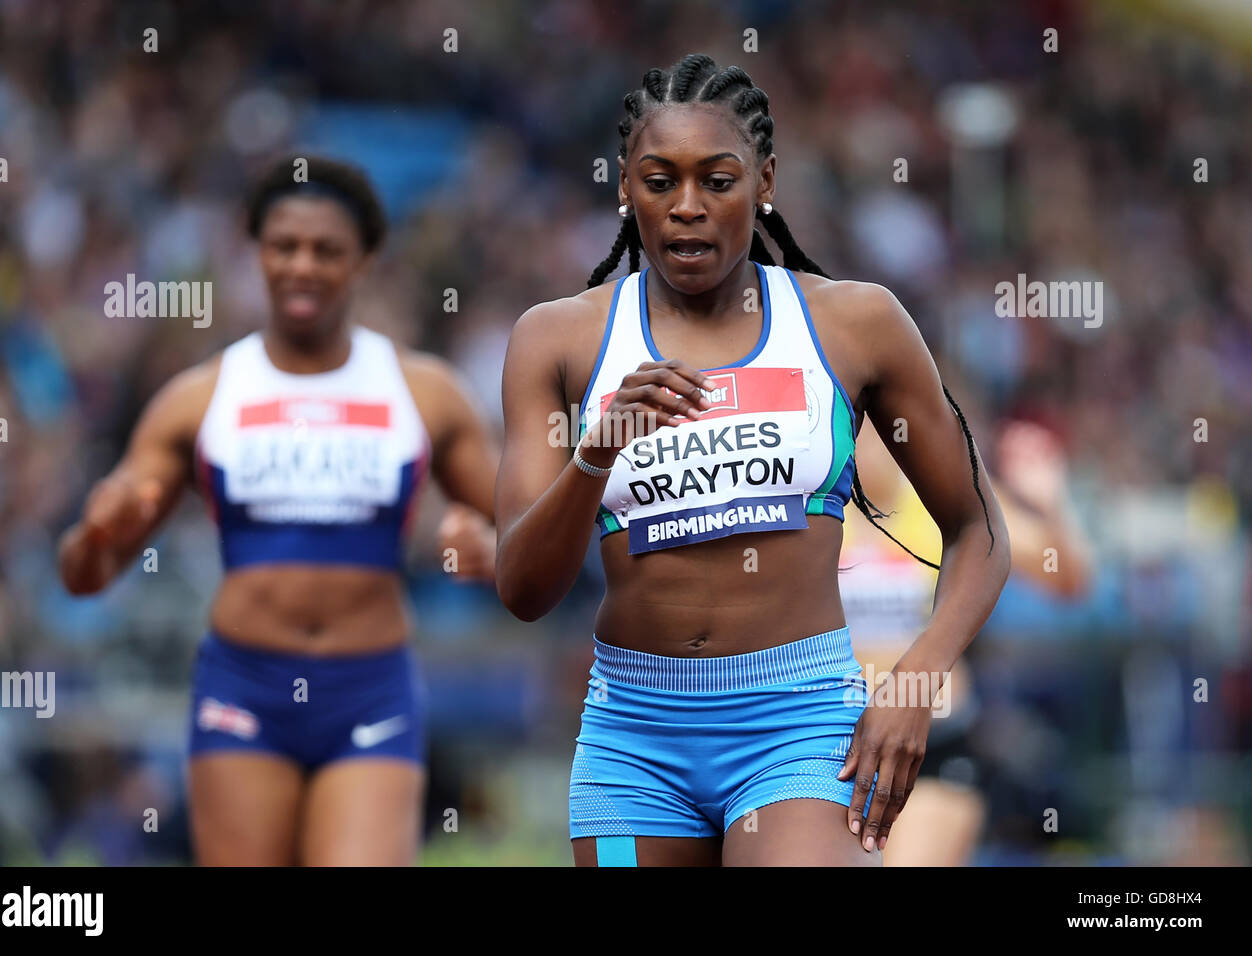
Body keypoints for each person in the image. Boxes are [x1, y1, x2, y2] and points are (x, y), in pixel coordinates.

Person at [495, 54, 1011, 866]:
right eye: (660, 181)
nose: (688, 207)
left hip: (798, 724)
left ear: (765, 181)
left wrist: (914, 685)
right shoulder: (557, 339)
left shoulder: (854, 323)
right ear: (624, 188)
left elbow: (977, 528)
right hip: (634, 738)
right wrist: (593, 455)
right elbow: (522, 590)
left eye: (719, 180)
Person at [58, 155, 498, 866]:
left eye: (327, 250)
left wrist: (486, 547)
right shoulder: (200, 397)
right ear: (254, 251)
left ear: (364, 260)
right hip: (243, 691)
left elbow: (533, 540)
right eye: (283, 247)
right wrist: (92, 534)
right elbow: (87, 575)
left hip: (369, 688)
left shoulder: (425, 393)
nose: (303, 267)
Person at [840, 419, 1092, 866]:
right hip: (829, 740)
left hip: (935, 743)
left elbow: (1068, 580)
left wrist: (1051, 502)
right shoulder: (812, 503)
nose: (870, 441)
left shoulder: (944, 502)